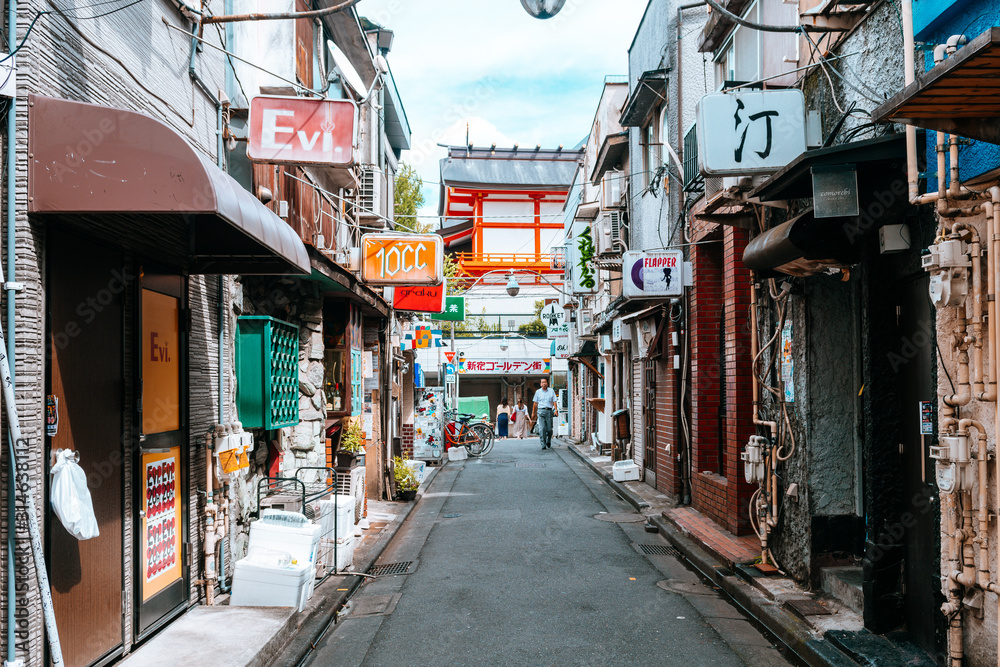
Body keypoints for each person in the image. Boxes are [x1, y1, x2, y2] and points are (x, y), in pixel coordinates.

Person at [532, 377, 558, 449]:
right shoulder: (538, 392)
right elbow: (535, 403)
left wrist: (556, 410)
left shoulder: (551, 391)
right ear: (540, 384)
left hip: (549, 411)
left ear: (547, 383)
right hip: (541, 411)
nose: (544, 383)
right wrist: (533, 413)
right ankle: (543, 443)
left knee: (549, 429)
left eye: (545, 382)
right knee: (542, 428)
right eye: (542, 382)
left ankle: (548, 440)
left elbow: (554, 401)